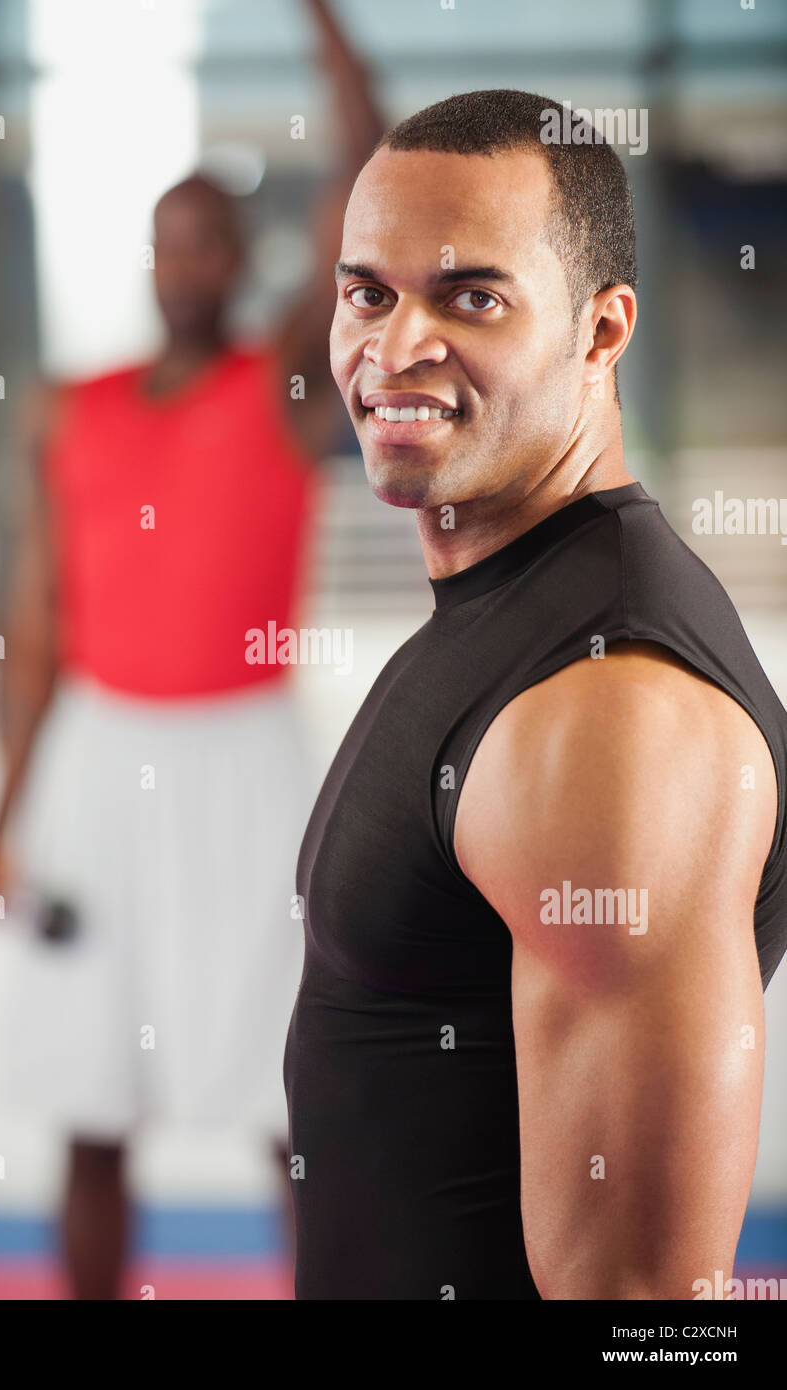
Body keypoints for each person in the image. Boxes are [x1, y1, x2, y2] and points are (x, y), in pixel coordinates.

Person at [283, 88, 787, 1300]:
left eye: (472, 297)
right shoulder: (505, 612)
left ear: (604, 332)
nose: (395, 347)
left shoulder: (611, 716)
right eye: (368, 293)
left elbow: (644, 1311)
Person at [0, 0, 382, 1300]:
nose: (186, 264)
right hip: (99, 755)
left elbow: (364, 183)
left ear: (240, 257)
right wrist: (1, 823)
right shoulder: (66, 412)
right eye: (167, 243)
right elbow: (33, 634)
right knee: (90, 1095)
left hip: (247, 758)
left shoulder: (283, 385)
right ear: (147, 259)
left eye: (209, 243)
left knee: (291, 1098)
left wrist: (321, 25)